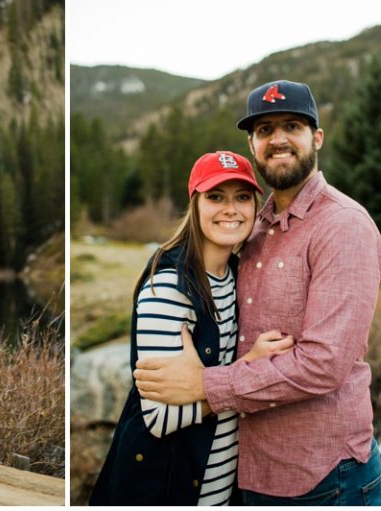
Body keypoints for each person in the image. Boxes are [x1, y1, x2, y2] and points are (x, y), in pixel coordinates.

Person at [134, 80, 381, 505]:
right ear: (253, 145)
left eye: (292, 125)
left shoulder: (343, 227)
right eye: (265, 130)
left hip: (321, 476)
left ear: (317, 138)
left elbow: (325, 364)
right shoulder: (254, 231)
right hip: (248, 472)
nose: (278, 139)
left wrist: (205, 385)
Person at [89, 151, 293, 506]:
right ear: (195, 204)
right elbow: (158, 417)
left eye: (242, 197)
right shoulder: (168, 288)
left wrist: (205, 383)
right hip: (168, 487)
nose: (231, 209)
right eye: (216, 197)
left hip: (219, 489)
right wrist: (245, 372)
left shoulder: (236, 276)